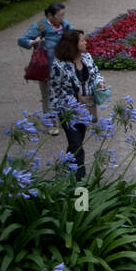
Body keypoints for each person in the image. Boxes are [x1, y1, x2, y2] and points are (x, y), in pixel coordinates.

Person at [48, 28, 106, 178]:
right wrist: (52, 114)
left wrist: (100, 82)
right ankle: (80, 178)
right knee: (76, 144)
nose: (85, 42)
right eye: (82, 40)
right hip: (68, 110)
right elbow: (53, 91)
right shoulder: (59, 66)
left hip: (86, 107)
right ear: (73, 44)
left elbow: (96, 73)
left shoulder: (87, 57)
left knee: (76, 143)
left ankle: (65, 168)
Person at [18, 2, 71, 134]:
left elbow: (74, 36)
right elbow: (22, 40)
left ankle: (65, 118)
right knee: (48, 96)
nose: (63, 17)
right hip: (46, 67)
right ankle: (51, 124)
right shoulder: (39, 26)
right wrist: (33, 42)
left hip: (64, 66)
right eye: (60, 15)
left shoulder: (65, 25)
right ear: (50, 16)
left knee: (65, 92)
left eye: (63, 14)